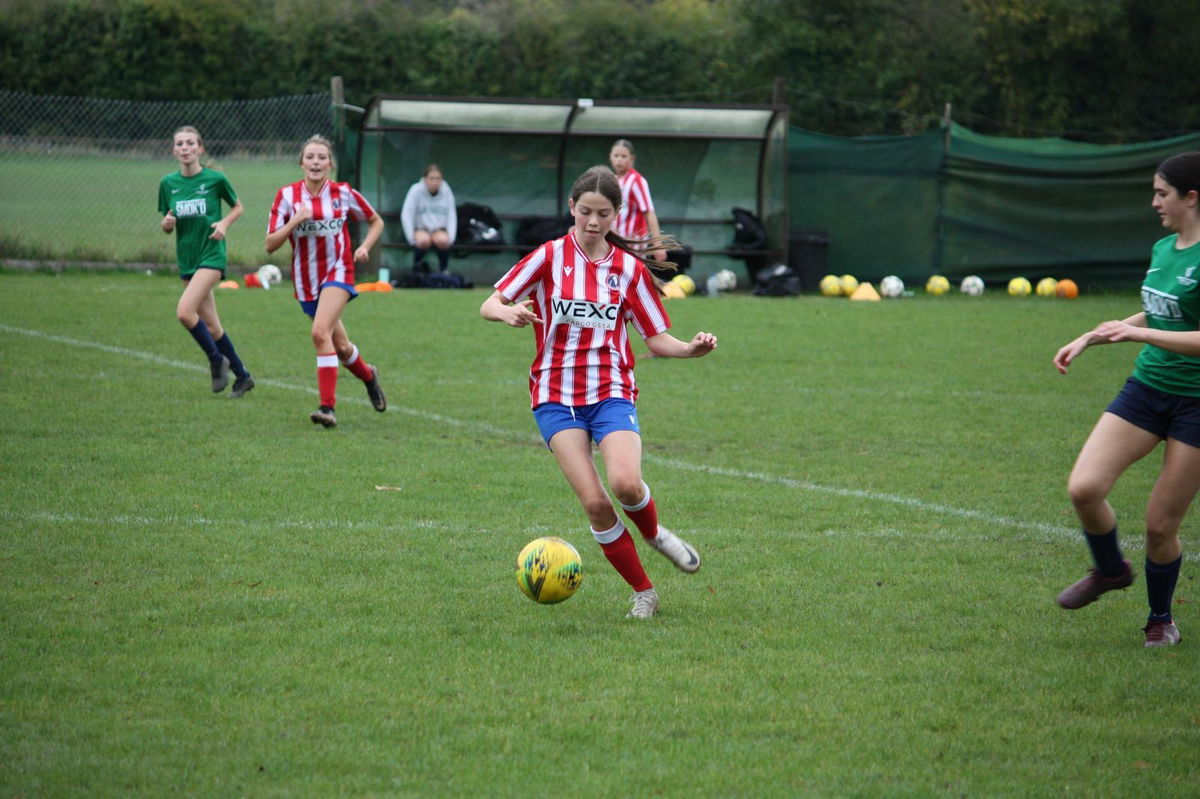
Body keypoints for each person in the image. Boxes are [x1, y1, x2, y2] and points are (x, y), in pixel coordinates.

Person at [480, 165, 717, 619]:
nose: (592, 222)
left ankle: (653, 534)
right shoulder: (549, 257)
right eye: (585, 211)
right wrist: (504, 314)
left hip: (611, 391)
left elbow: (655, 338)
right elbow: (491, 301)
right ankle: (644, 592)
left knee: (626, 483)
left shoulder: (628, 270)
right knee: (594, 502)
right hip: (554, 396)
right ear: (571, 208)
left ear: (615, 215)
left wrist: (689, 350)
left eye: (603, 214)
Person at [1053, 150, 1200, 648]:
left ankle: (1161, 619)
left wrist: (1141, 336)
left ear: (1191, 197)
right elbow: (1156, 311)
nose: (1154, 201)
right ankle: (1111, 570)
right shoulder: (1164, 249)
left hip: (1196, 404)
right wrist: (1093, 335)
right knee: (1084, 487)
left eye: (1162, 193)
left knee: (1160, 527)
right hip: (1147, 389)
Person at [265, 135, 387, 428]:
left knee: (320, 334)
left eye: (322, 157)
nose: (316, 162)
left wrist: (364, 247)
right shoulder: (287, 196)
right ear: (301, 162)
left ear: (330, 163)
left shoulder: (343, 193)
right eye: (310, 157)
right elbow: (270, 244)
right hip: (306, 279)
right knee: (341, 347)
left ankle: (327, 409)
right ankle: (369, 376)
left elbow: (376, 221)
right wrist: (295, 221)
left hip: (339, 271)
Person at [158, 125, 254, 397]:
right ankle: (243, 377)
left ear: (200, 148)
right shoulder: (168, 184)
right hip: (187, 258)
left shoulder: (215, 179)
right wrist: (166, 224)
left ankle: (216, 360)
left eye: (190, 143)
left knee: (185, 313)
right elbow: (167, 225)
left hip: (212, 254)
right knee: (212, 326)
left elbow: (238, 207)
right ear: (174, 150)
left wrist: (223, 223)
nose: (185, 148)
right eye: (180, 144)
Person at [608, 139, 665, 262]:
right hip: (614, 240)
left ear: (632, 159)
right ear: (610, 157)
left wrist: (658, 245)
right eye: (616, 155)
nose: (619, 160)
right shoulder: (612, 180)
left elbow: (649, 211)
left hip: (633, 242)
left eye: (624, 156)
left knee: (632, 276)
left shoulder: (637, 181)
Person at [400, 164, 457, 274]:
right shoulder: (415, 190)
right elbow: (406, 214)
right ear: (425, 179)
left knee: (443, 240)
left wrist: (451, 237)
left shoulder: (446, 191)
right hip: (421, 229)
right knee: (423, 240)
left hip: (438, 229)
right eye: (432, 178)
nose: (435, 182)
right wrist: (411, 237)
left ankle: (443, 270)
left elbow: (452, 215)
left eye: (438, 178)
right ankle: (416, 269)